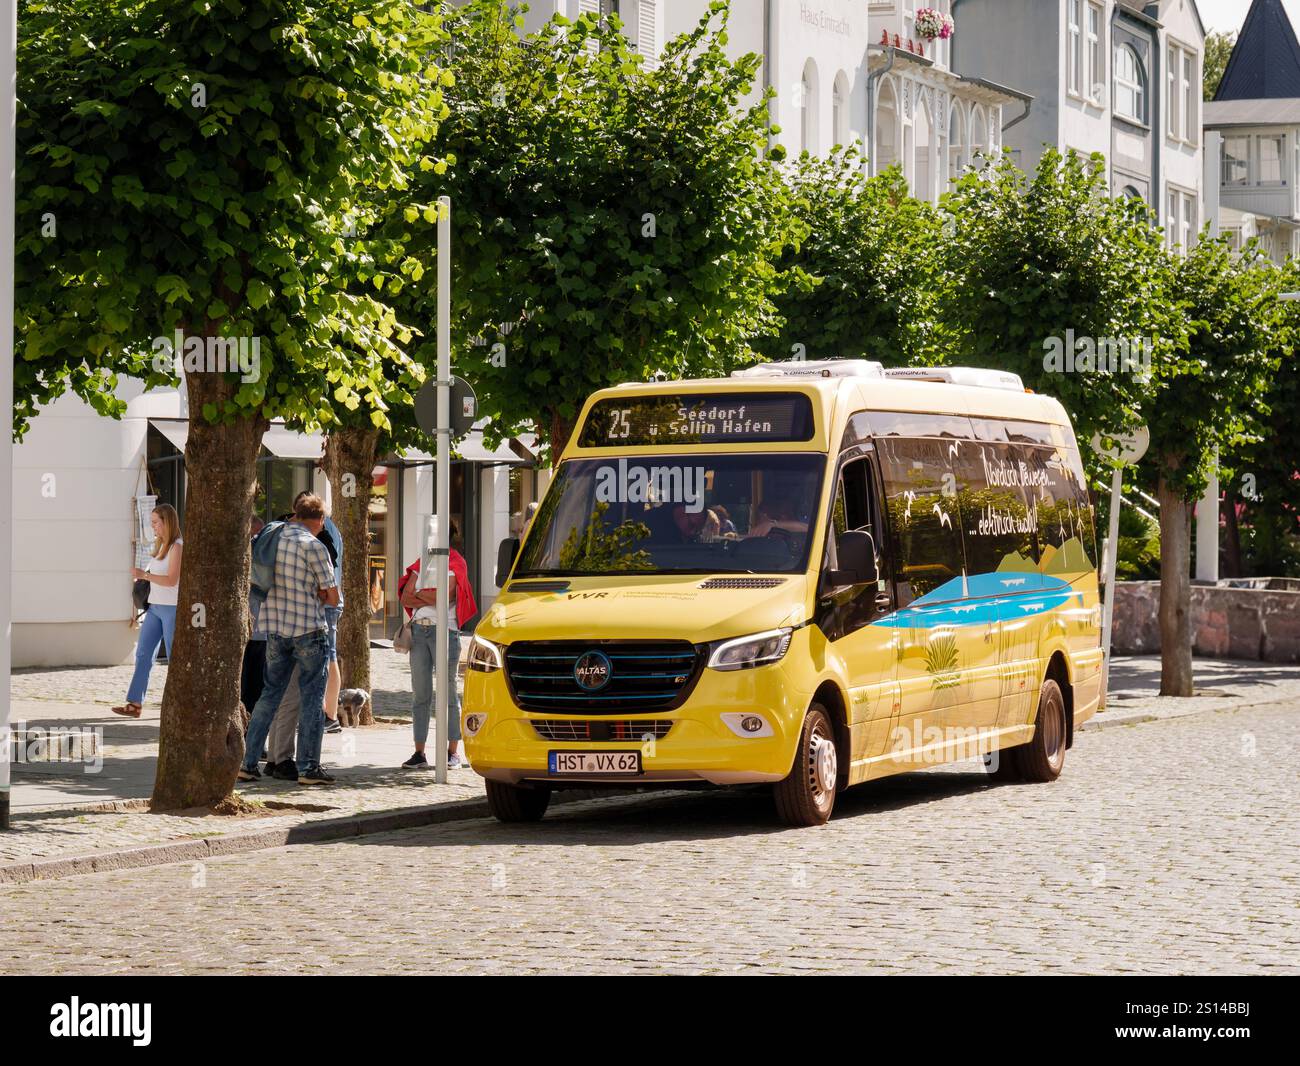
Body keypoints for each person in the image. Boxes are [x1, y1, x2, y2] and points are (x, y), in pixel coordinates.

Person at [239, 494, 338, 785]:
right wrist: (319, 592)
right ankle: (308, 768)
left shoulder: (273, 537)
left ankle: (247, 763)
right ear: (320, 520)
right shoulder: (314, 546)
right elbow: (332, 596)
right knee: (311, 699)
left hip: (275, 629)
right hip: (308, 629)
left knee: (268, 697)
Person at [399, 524, 477, 771]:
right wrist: (429, 595)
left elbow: (447, 596)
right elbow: (405, 597)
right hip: (419, 632)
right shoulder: (422, 562)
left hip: (445, 631)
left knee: (449, 693)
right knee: (420, 694)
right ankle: (419, 752)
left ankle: (453, 752)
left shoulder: (456, 562)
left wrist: (421, 593)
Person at [113, 504, 183, 718]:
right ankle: (135, 704)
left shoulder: (177, 546)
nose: (152, 526)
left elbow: (172, 580)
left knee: (174, 657)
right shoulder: (160, 546)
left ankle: (178, 706)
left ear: (167, 522)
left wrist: (145, 575)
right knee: (143, 654)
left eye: (155, 522)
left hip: (171, 608)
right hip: (154, 607)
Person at [239, 513, 267, 722]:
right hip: (256, 633)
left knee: (250, 687)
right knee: (253, 688)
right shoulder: (257, 557)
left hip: (257, 633)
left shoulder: (253, 555)